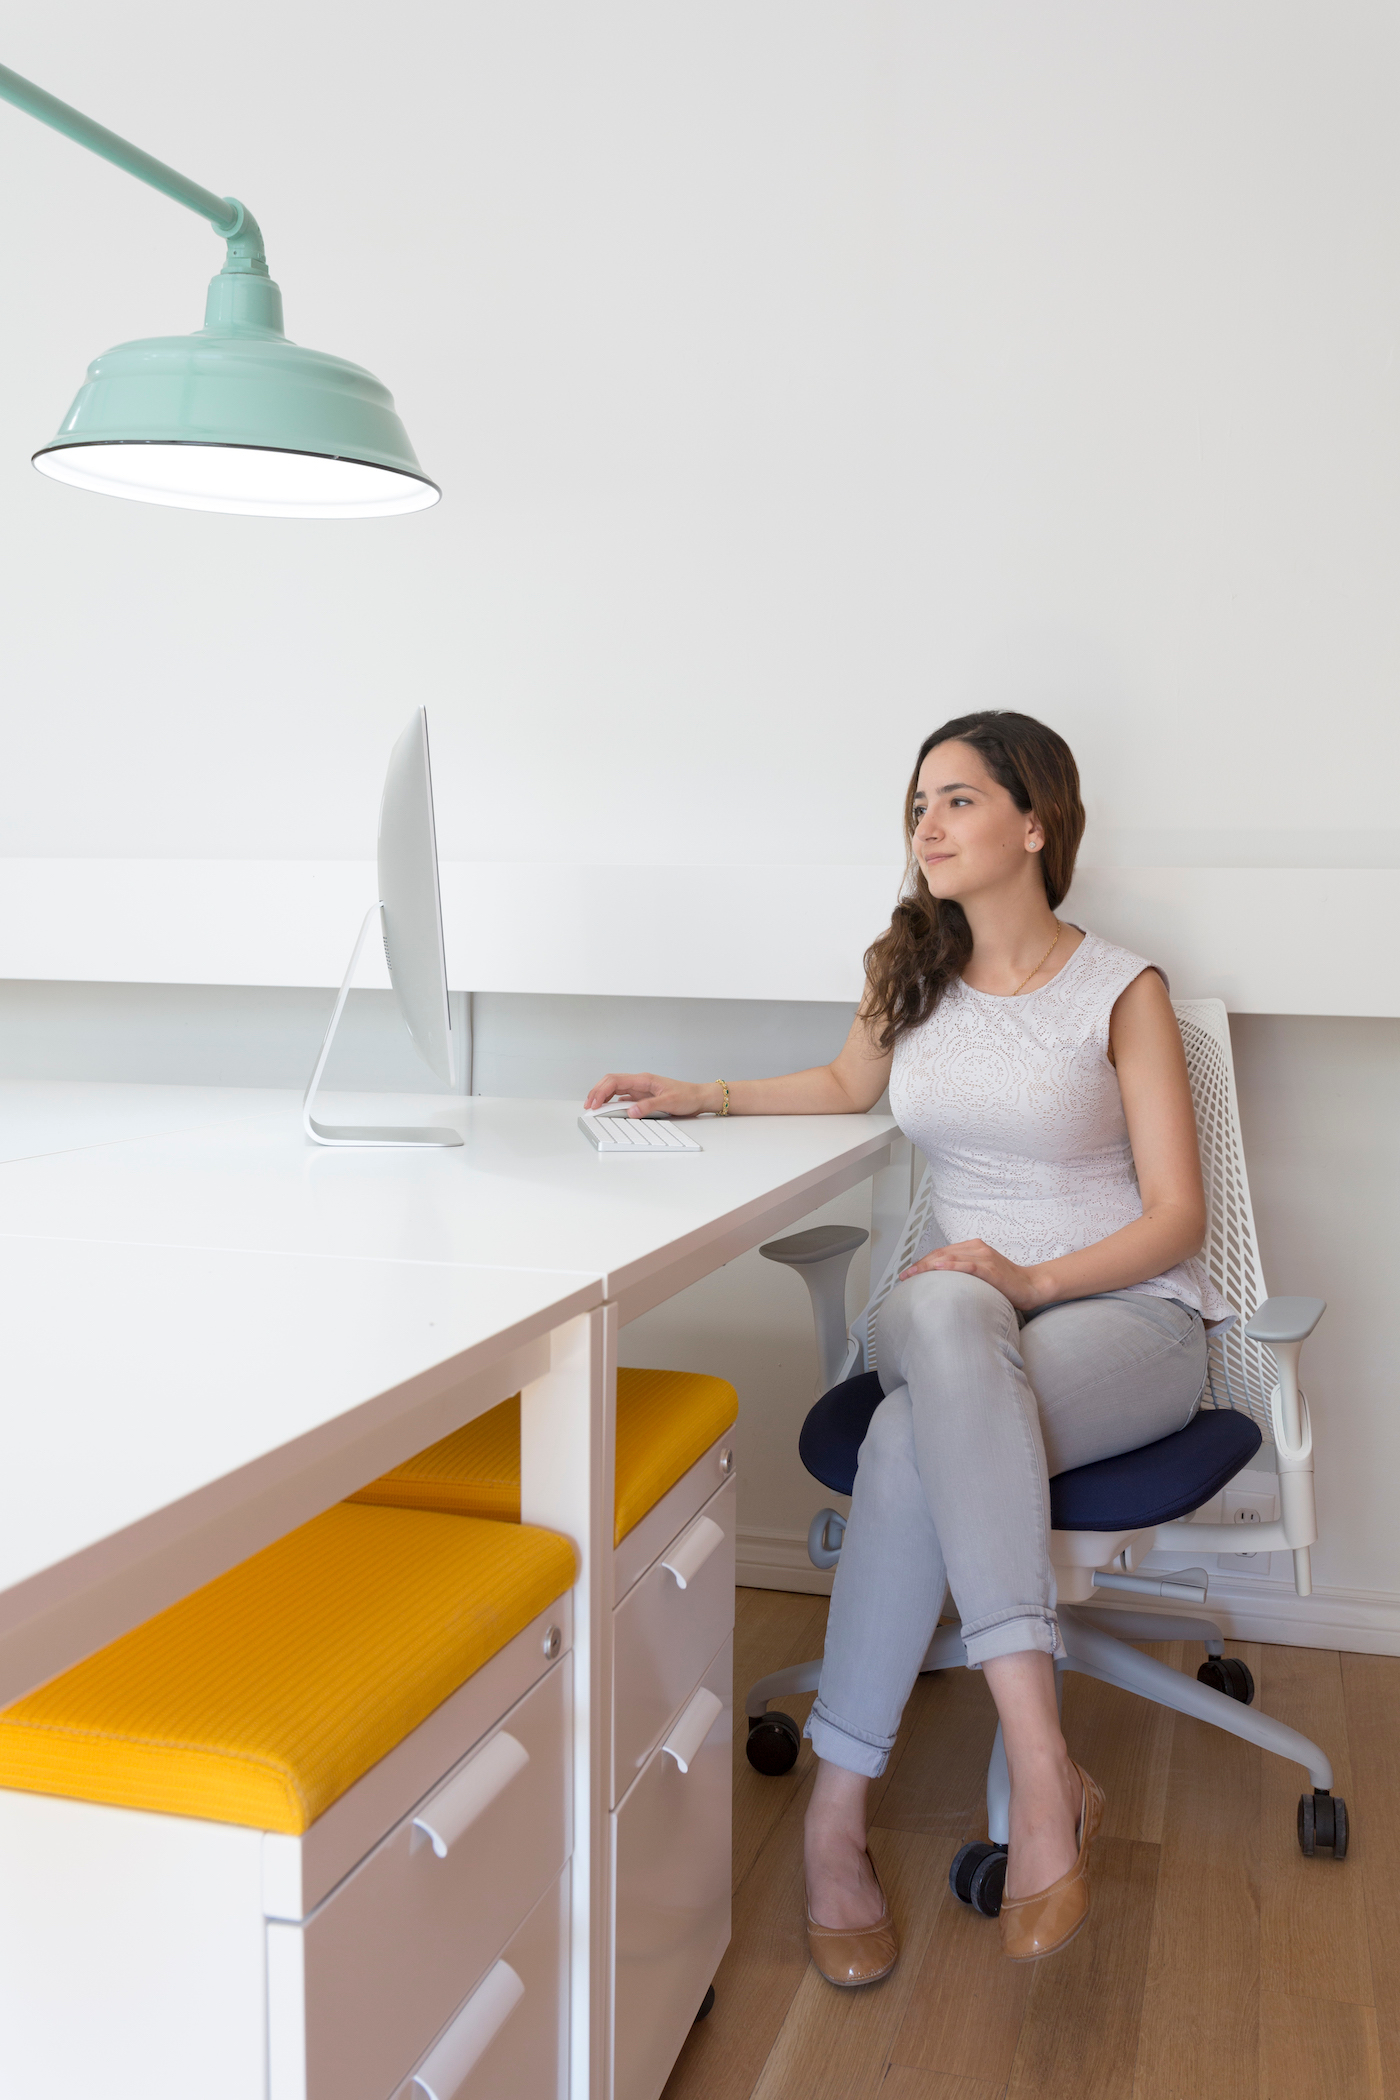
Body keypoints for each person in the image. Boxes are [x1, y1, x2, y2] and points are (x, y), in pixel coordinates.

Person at [584, 710, 1225, 1979]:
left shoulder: (1121, 988)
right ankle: (1041, 1767)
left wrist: (1031, 1272)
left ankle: (839, 1811)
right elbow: (838, 1086)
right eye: (916, 804)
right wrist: (699, 1092)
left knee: (901, 1430)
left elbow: (1175, 1218)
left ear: (1034, 824)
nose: (925, 825)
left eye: (958, 800)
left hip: (1122, 1325)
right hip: (952, 1320)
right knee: (936, 1306)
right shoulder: (911, 972)